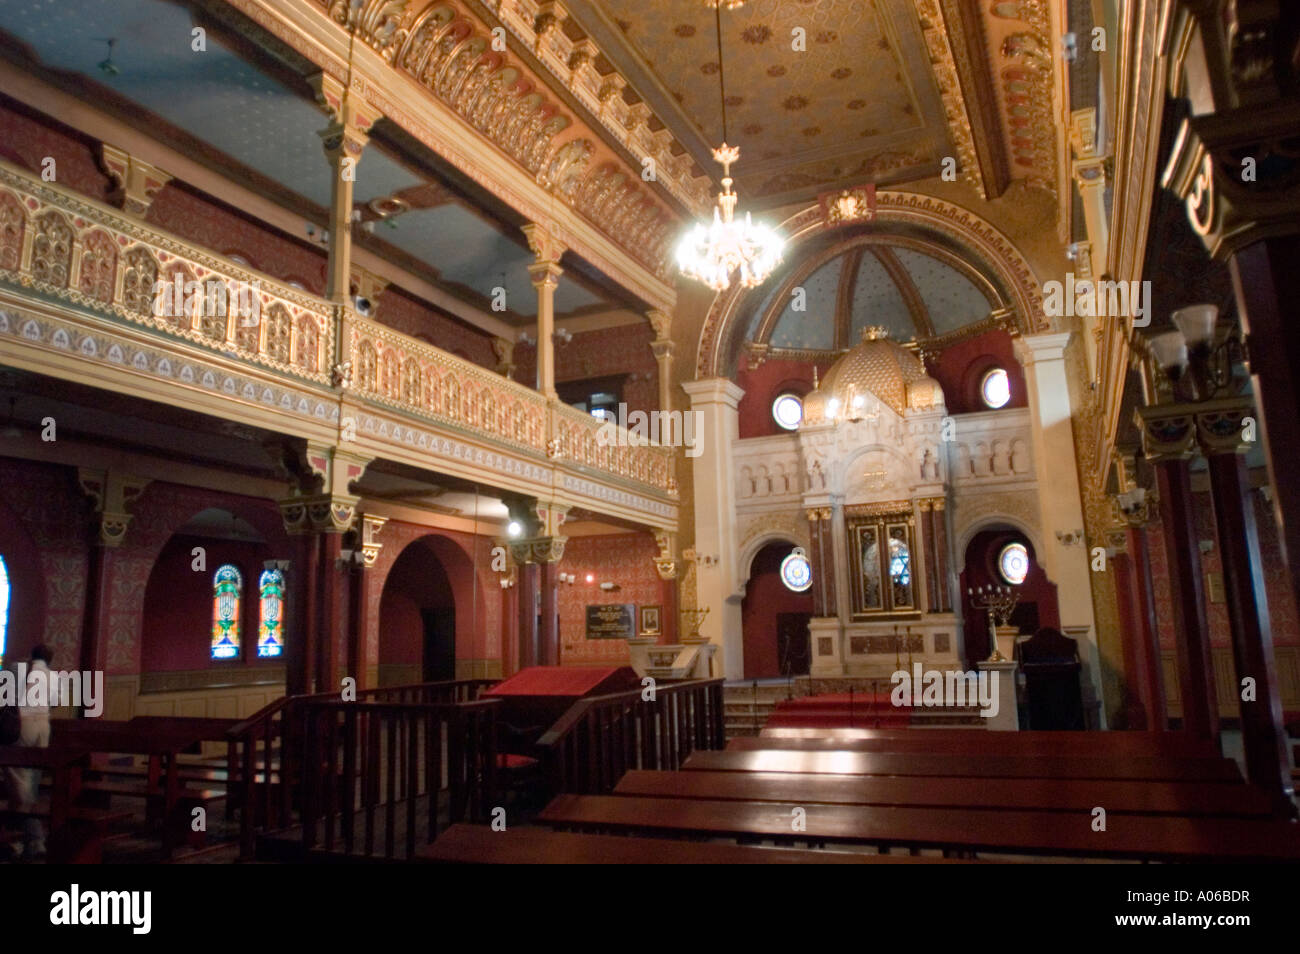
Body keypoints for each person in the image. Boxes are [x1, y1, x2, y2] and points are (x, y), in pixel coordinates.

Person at [5, 645, 53, 859]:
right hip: (44, 725)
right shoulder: (52, 675)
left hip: (22, 724)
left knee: (18, 781)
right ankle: (28, 838)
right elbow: (55, 703)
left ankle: (31, 838)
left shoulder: (18, 669)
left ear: (32, 655)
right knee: (32, 779)